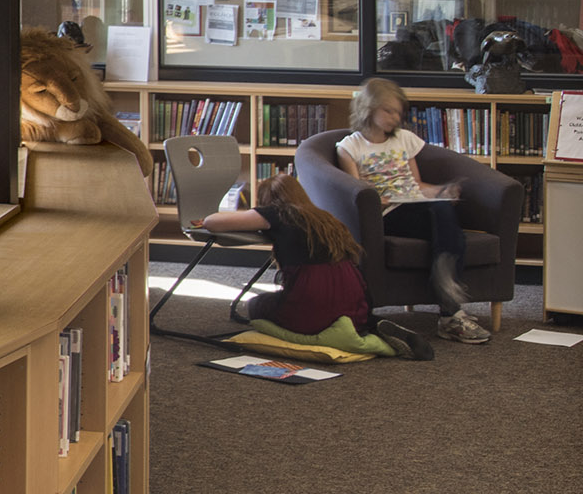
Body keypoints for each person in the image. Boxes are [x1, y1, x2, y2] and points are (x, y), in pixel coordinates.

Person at [195, 172, 432, 360]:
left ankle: (331, 334)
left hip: (313, 298)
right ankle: (367, 326)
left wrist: (204, 220)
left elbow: (216, 223)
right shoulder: (325, 217)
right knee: (339, 311)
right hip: (355, 299)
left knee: (255, 306)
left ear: (270, 200)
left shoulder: (279, 212)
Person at [336, 77, 489, 345]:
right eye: (389, 111)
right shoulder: (351, 147)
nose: (396, 118)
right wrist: (375, 198)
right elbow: (354, 192)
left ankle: (446, 283)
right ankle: (450, 309)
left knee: (444, 214)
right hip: (387, 213)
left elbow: (416, 185)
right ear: (368, 109)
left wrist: (442, 191)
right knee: (444, 222)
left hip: (416, 206)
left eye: (398, 111)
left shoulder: (405, 139)